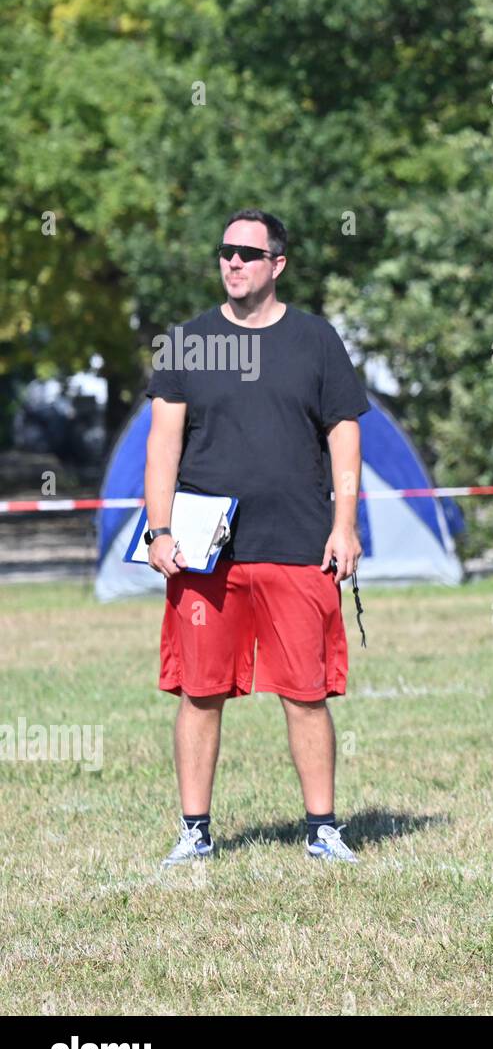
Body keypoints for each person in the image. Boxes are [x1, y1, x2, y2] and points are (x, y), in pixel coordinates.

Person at [145, 209, 369, 866]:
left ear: (278, 264)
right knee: (200, 690)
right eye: (226, 252)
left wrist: (346, 522)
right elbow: (162, 446)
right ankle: (196, 831)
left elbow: (344, 433)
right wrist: (158, 530)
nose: (233, 262)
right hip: (203, 553)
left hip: (299, 542)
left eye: (248, 253)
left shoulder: (316, 340)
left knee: (306, 692)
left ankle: (323, 828)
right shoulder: (187, 342)